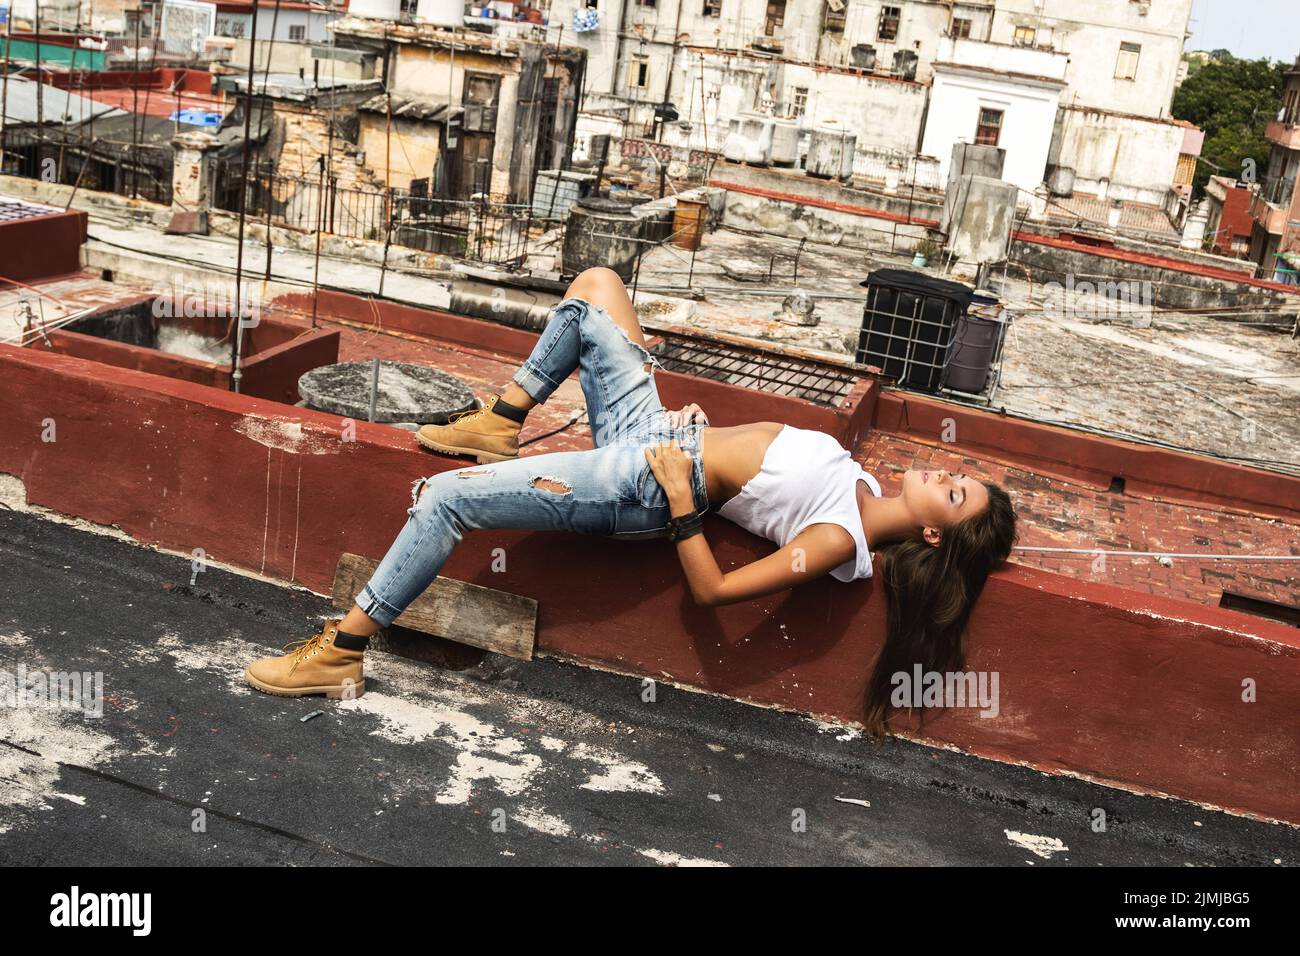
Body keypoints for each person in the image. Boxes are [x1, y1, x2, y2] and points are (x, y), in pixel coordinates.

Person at [244, 267, 1016, 738]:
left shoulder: (842, 540)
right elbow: (757, 462)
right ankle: (504, 421)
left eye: (953, 493)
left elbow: (714, 590)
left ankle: (341, 654)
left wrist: (684, 495)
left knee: (445, 498)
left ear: (932, 533)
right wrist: (705, 437)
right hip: (657, 436)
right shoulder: (867, 484)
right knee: (594, 289)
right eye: (958, 474)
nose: (942, 473)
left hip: (644, 487)